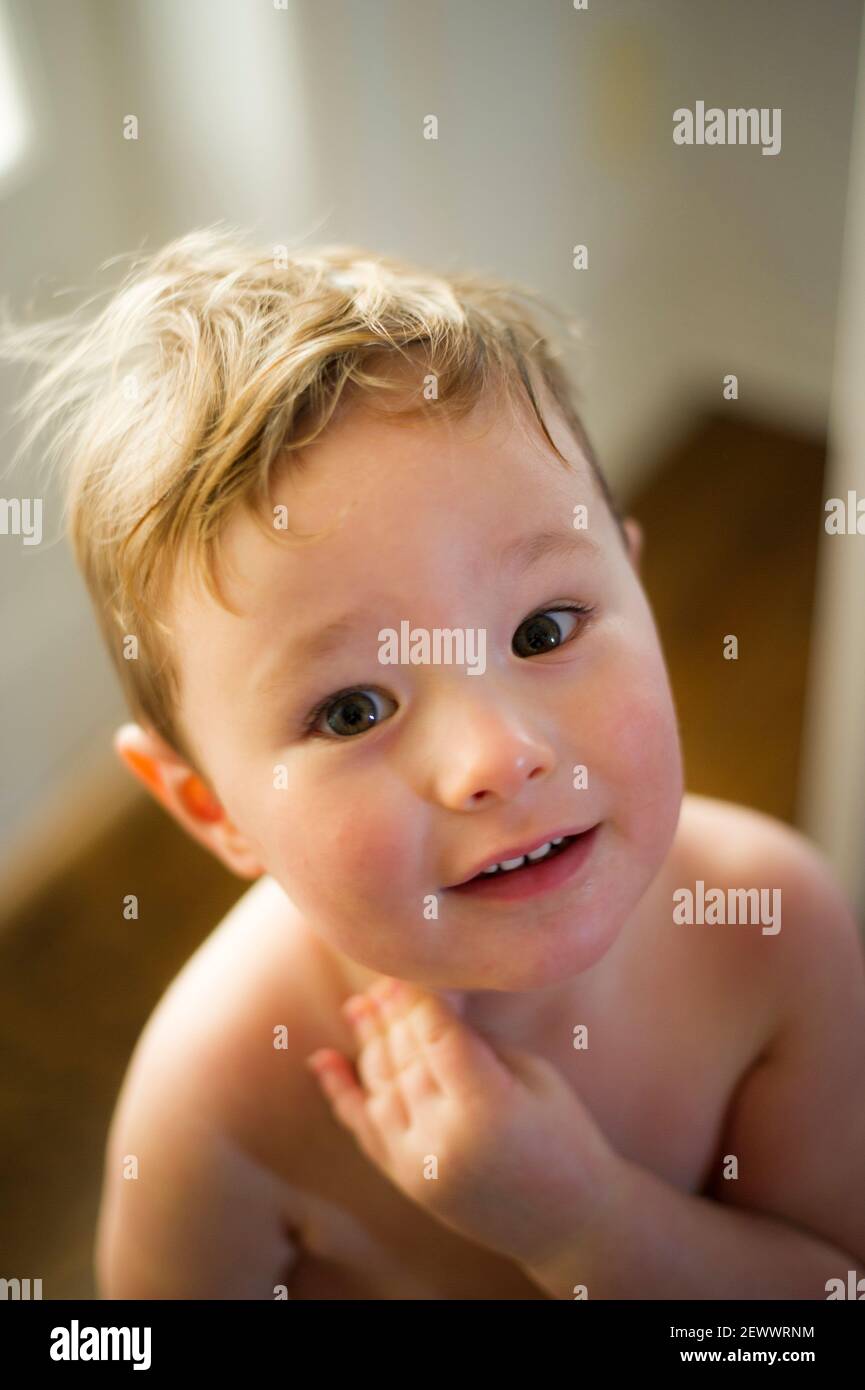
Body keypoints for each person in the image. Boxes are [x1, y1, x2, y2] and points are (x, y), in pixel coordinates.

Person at [4, 226, 863, 1298]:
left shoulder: (775, 928)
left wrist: (587, 1227)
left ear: (635, 590)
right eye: (355, 707)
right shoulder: (215, 1097)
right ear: (207, 806)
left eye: (546, 629)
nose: (499, 755)